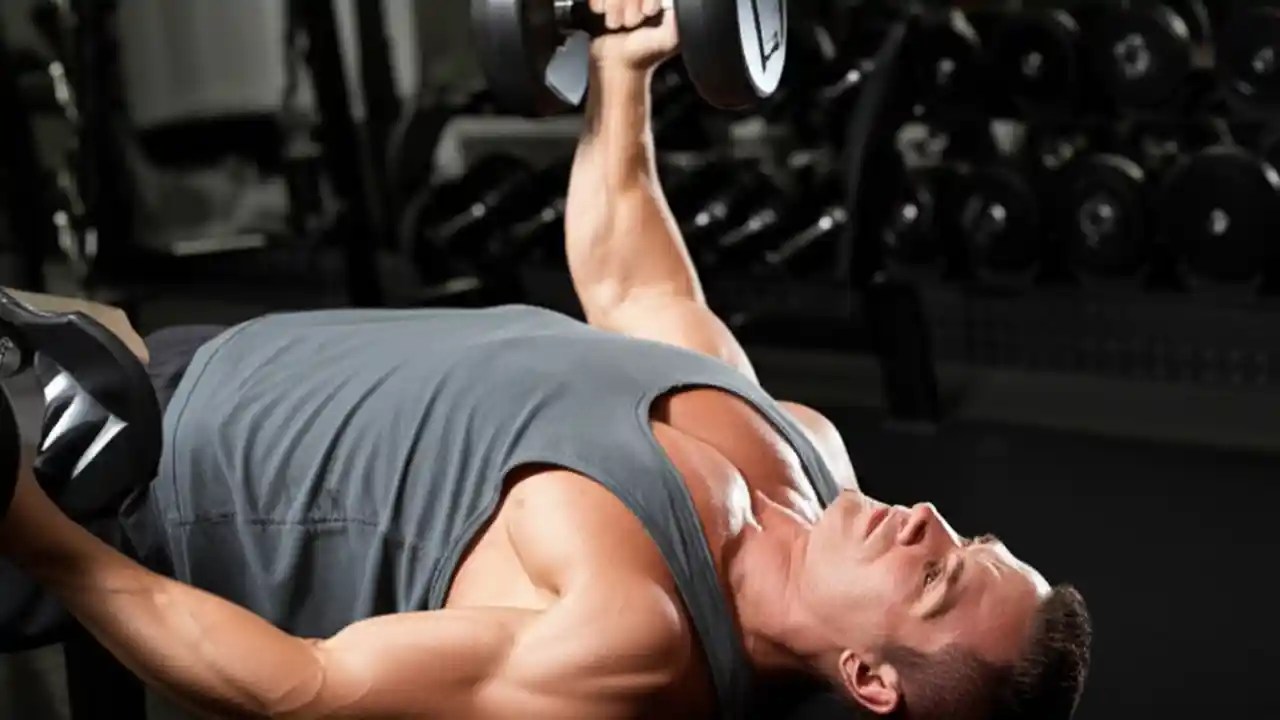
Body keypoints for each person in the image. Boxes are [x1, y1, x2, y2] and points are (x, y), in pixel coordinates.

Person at [0, 3, 1092, 719]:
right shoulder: (802, 451)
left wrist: (46, 543)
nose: (927, 525)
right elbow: (637, 288)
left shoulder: (633, 647)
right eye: (967, 536)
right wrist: (622, 78)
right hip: (164, 361)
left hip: (106, 481)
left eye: (938, 575)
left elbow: (306, 687)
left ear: (866, 677)